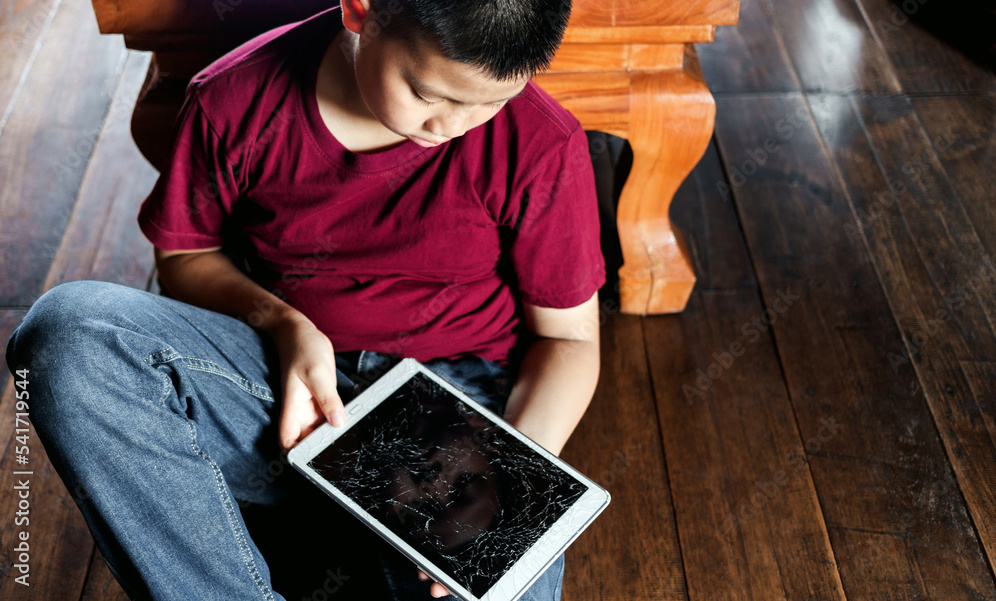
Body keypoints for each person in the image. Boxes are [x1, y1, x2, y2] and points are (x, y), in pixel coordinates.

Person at [5, 0, 604, 599]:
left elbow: (569, 338)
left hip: (454, 412)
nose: (452, 126)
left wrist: (507, 477)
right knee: (70, 334)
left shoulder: (540, 142)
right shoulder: (232, 98)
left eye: (491, 102)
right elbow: (187, 256)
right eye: (427, 93)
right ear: (361, 10)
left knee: (493, 578)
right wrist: (288, 327)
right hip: (278, 387)